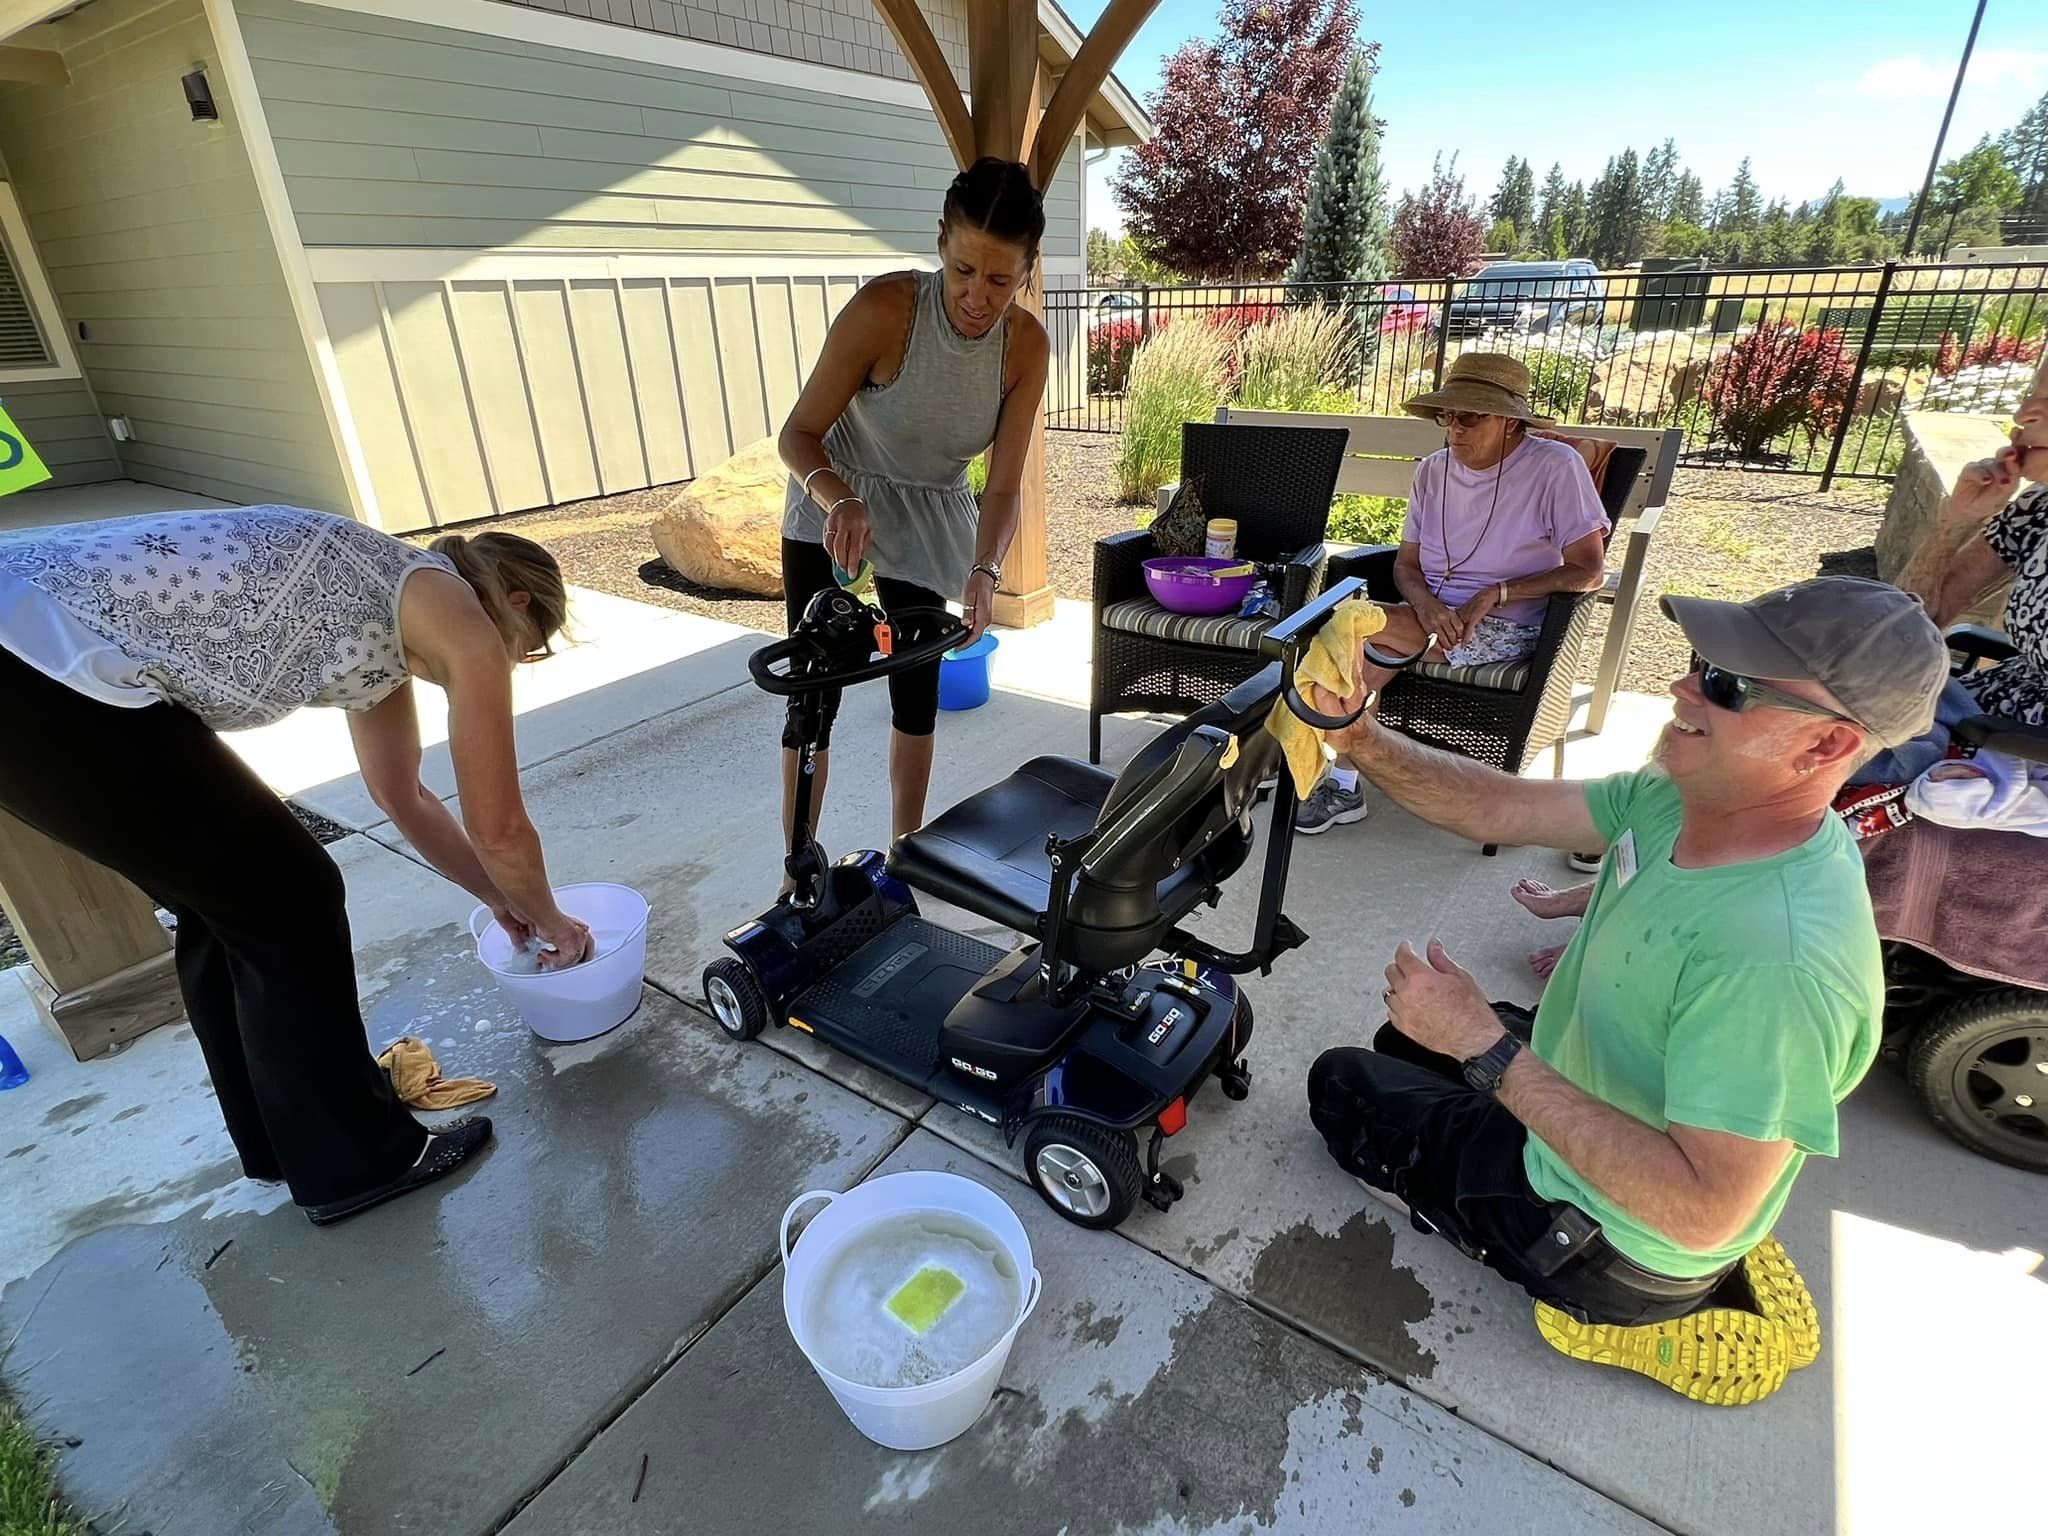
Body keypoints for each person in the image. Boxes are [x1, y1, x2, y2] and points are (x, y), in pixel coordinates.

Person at [1304, 576, 1948, 1402]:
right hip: (1598, 1080)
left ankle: (1597, 1299)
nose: (1684, 686)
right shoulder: (1691, 796)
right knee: (1400, 1040)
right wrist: (1360, 738)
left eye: (1727, 685)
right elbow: (1502, 807)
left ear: (1825, 748)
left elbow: (1702, 1210)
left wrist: (1483, 1045)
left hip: (1612, 1235)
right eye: (1699, 660)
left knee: (1342, 1084)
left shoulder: (1777, 963)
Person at [0, 507, 584, 1226]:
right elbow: (498, 827)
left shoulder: (387, 610)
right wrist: (550, 915)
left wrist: (504, 900)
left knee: (229, 903)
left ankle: (282, 1140)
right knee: (290, 895)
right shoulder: (455, 616)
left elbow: (402, 795)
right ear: (517, 605)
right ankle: (361, 1162)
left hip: (40, 658)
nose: (514, 666)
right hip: (37, 657)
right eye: (529, 650)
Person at [776, 157, 1051, 856]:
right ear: (940, 243)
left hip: (933, 509)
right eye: (963, 270)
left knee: (916, 689)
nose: (977, 296)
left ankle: (908, 857)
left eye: (999, 279)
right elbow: (797, 435)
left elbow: (1003, 486)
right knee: (815, 693)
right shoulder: (885, 310)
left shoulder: (1026, 348)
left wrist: (986, 568)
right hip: (836, 496)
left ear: (1026, 270)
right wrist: (839, 499)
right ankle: (798, 865)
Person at [1299, 353, 1609, 835]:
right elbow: (1405, 564)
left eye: (1471, 416)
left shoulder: (1554, 467)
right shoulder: (1433, 471)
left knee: (1348, 628)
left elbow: (1589, 571)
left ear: (1510, 421)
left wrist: (1498, 592)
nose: (1455, 429)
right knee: (1356, 649)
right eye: (1448, 415)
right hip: (1432, 618)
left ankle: (1318, 765)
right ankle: (1341, 776)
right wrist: (1426, 605)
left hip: (1511, 628)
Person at [1896, 385, 2048, 726]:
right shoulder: (2039, 505)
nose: (2023, 415)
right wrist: (1956, 521)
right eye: (2031, 393)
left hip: (2017, 748)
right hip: (1979, 713)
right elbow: (1908, 624)